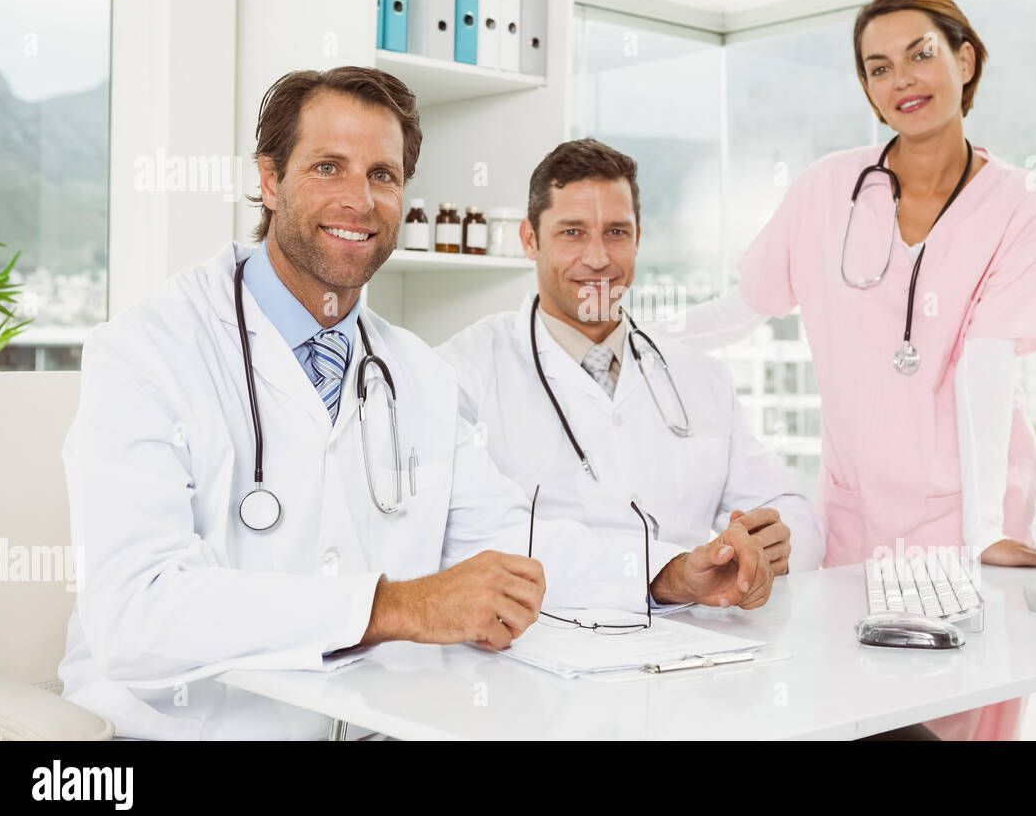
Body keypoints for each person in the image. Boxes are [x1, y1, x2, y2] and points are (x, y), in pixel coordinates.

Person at [57, 67, 763, 740]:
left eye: (383, 176)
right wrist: (398, 606)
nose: (358, 200)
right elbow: (134, 608)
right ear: (269, 180)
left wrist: (668, 574)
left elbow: (511, 544)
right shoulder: (146, 352)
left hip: (375, 728)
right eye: (327, 166)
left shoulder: (415, 374)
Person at [667, 0, 1036, 740]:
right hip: (859, 516)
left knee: (966, 719)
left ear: (965, 59)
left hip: (975, 510)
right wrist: (628, 333)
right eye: (878, 68)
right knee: (861, 716)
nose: (903, 80)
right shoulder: (826, 190)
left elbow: (985, 361)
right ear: (868, 90)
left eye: (921, 54)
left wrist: (981, 531)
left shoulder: (1020, 202)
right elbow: (741, 306)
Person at [438, 139, 823, 609]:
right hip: (539, 653)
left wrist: (773, 544)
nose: (598, 258)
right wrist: (668, 573)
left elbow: (793, 510)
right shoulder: (463, 372)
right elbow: (477, 538)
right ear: (529, 240)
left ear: (639, 238)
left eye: (616, 232)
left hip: (692, 652)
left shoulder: (701, 378)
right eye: (572, 232)